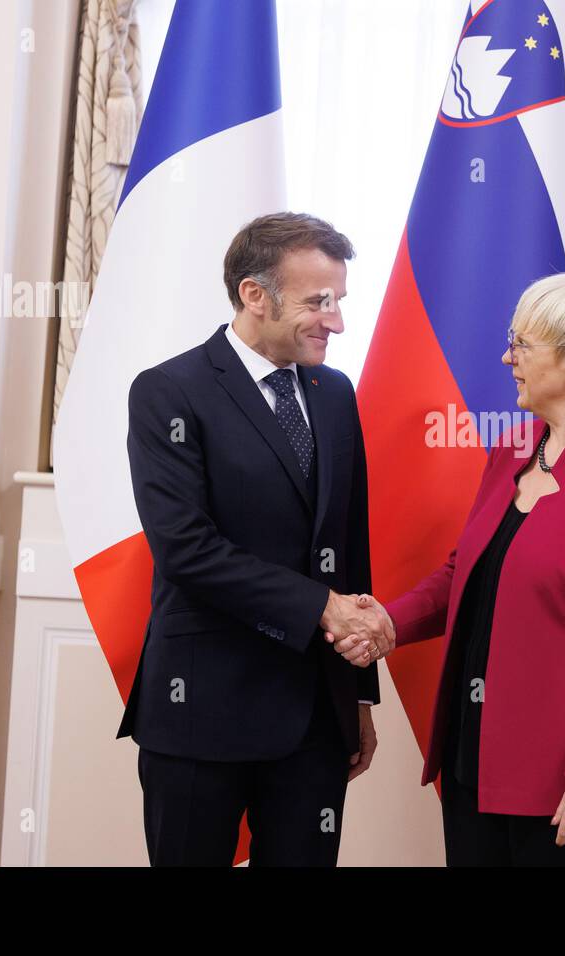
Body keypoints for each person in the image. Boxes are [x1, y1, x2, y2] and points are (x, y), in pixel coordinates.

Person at [331, 272, 565, 866]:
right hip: (479, 764)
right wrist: (386, 624)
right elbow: (466, 574)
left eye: (523, 345)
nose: (507, 357)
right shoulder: (515, 447)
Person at [120, 212, 395, 866]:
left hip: (315, 718)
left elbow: (348, 547)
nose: (337, 322)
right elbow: (187, 550)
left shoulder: (335, 394)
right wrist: (319, 608)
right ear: (254, 294)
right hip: (201, 711)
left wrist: (355, 691)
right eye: (318, 302)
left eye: (340, 301)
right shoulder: (169, 392)